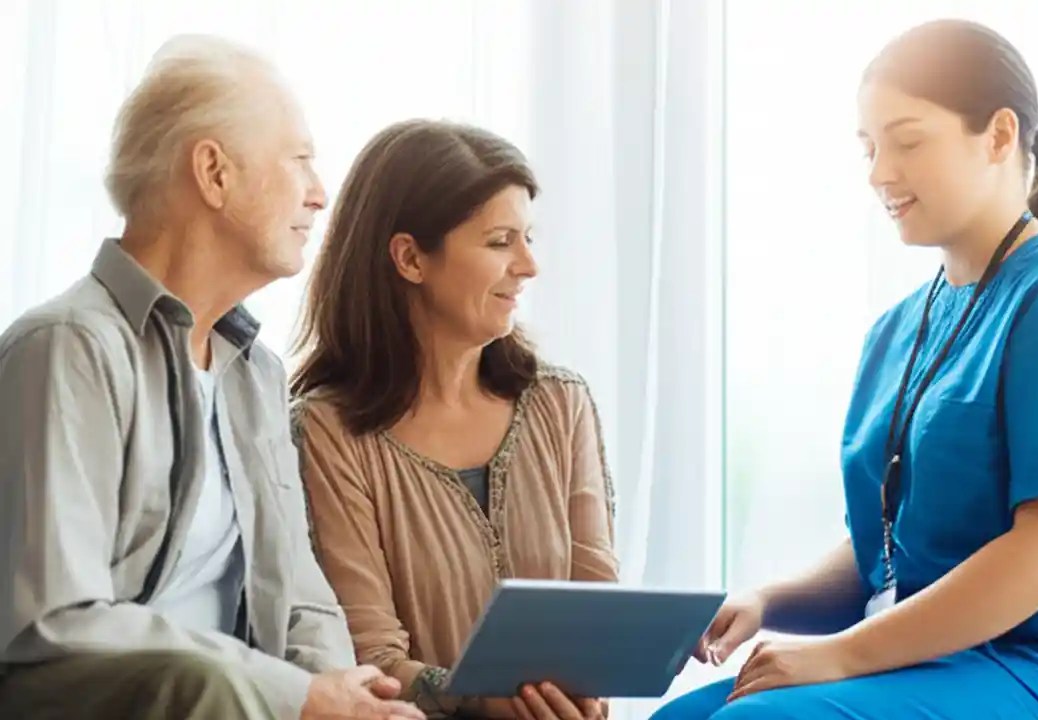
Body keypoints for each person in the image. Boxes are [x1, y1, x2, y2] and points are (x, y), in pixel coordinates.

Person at [653, 19, 1038, 720]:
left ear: (1000, 136)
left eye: (907, 142)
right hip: (948, 656)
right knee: (679, 718)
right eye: (869, 148)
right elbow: (889, 543)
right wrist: (767, 603)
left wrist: (843, 653)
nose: (880, 172)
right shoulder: (898, 329)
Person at [0, 35, 424, 720]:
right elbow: (56, 620)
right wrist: (294, 696)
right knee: (215, 687)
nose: (320, 195)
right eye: (301, 161)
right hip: (129, 701)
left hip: (239, 701)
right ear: (214, 173)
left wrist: (347, 697)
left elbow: (303, 598)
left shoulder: (256, 373)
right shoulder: (69, 348)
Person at [290, 119, 619, 720]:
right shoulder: (327, 433)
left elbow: (598, 608)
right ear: (410, 258)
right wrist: (480, 699)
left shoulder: (561, 403)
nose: (528, 266)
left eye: (528, 238)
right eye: (499, 242)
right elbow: (370, 660)